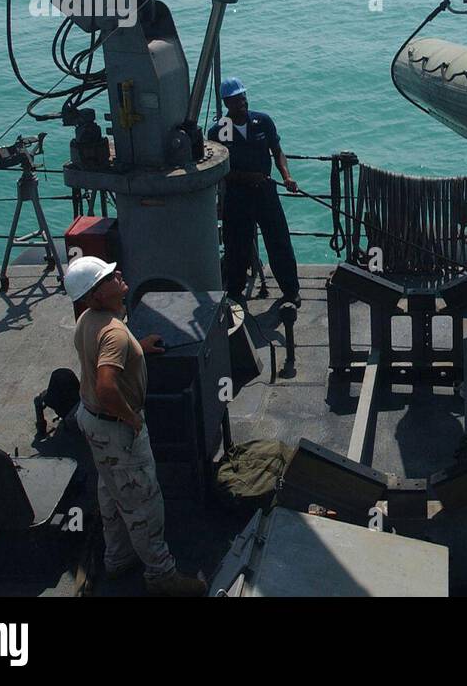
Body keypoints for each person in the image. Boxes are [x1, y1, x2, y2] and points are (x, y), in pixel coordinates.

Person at [67, 255, 207, 597]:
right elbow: (106, 385)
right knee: (143, 501)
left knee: (112, 494)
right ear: (97, 294)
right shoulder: (114, 333)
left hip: (92, 423)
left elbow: (103, 354)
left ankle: (117, 558)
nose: (118, 275)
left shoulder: (89, 319)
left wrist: (138, 351)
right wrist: (131, 417)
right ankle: (161, 575)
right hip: (115, 428)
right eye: (109, 277)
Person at [207, 77, 302, 307]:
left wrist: (286, 176)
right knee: (236, 245)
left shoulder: (262, 121)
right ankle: (236, 292)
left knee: (279, 241)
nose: (242, 102)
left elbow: (277, 151)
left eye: (243, 97)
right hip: (238, 196)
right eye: (236, 99)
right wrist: (247, 177)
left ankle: (291, 290)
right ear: (226, 102)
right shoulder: (220, 131)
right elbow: (221, 170)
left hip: (266, 192)